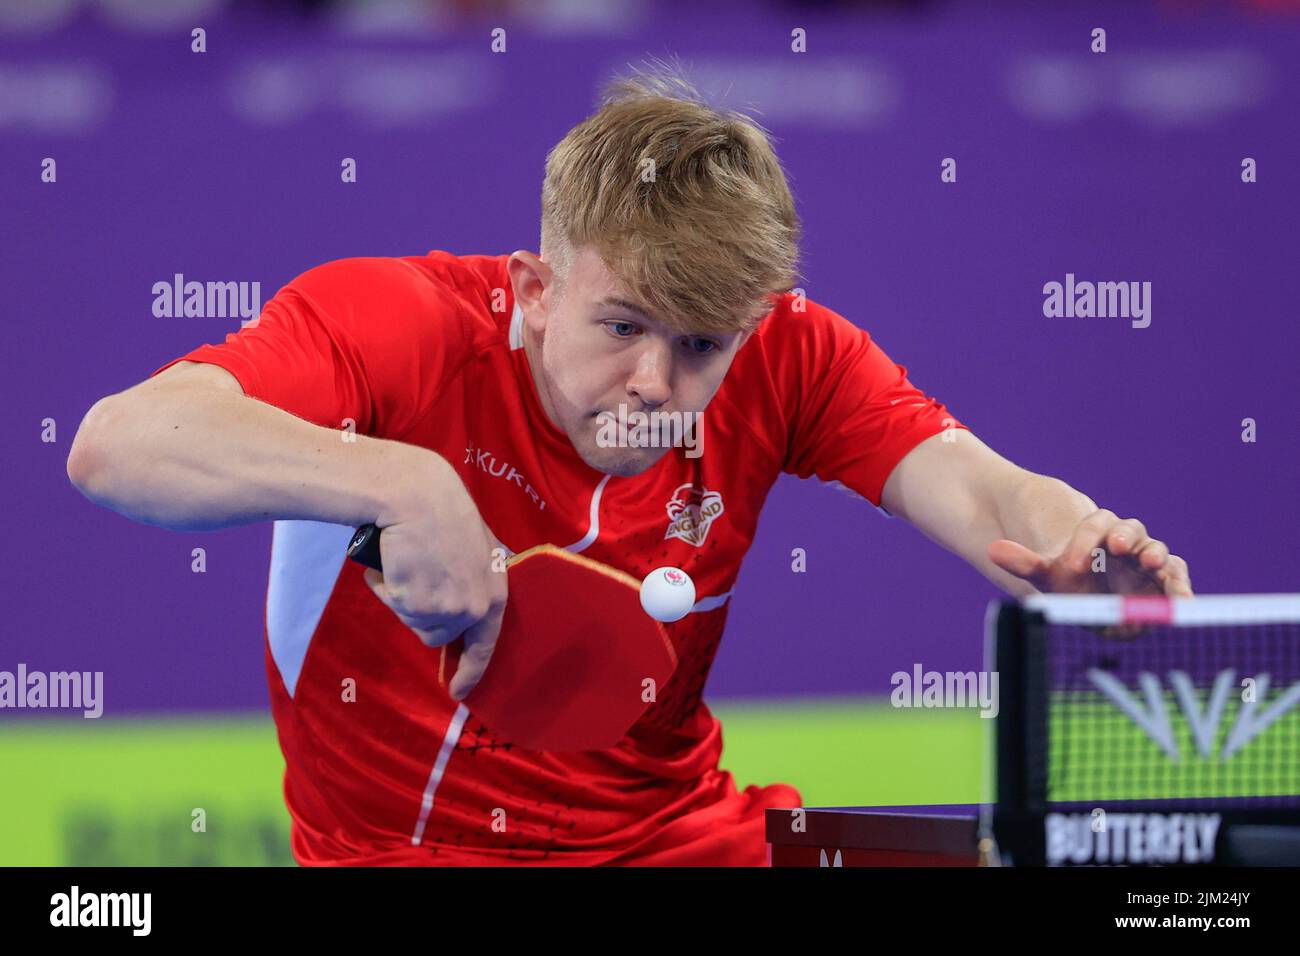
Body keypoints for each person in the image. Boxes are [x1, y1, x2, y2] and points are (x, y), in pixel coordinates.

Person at [66, 66, 1193, 866]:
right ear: (535, 286)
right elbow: (121, 443)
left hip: (683, 834)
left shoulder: (789, 353)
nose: (657, 380)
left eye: (701, 344)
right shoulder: (397, 325)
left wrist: (1070, 536)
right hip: (408, 853)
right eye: (621, 327)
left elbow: (972, 478)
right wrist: (400, 482)